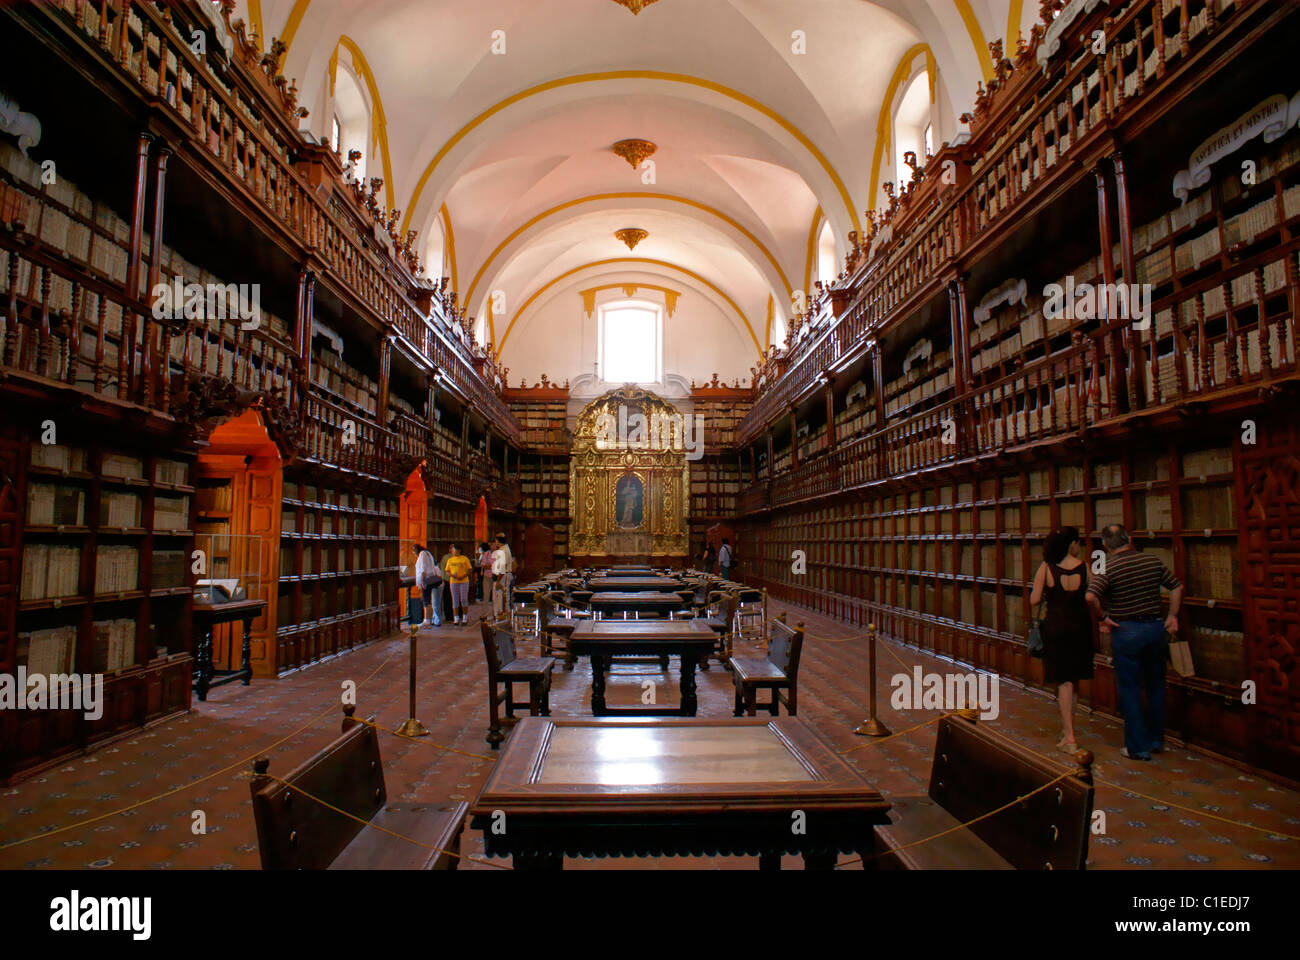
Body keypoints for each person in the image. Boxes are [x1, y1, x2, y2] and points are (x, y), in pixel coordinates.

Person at [1086, 524, 1184, 761]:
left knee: (1129, 690)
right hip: (1154, 628)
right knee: (1156, 687)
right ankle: (1155, 740)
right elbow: (1176, 586)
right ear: (1129, 539)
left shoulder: (1108, 566)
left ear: (1106, 545)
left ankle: (1137, 748)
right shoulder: (1151, 560)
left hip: (1126, 630)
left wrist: (1103, 617)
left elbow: (1090, 596)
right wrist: (1172, 615)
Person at [1030, 527, 1092, 754]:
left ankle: (1069, 736)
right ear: (1071, 544)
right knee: (1073, 682)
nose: (1080, 547)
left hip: (1056, 628)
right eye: (1078, 543)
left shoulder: (1046, 567)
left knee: (1064, 683)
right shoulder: (1085, 567)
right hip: (1081, 628)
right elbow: (1092, 594)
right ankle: (1069, 730)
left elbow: (1034, 600)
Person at [412, 544, 442, 628]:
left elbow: (423, 568)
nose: (413, 553)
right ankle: (428, 620)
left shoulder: (422, 554)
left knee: (426, 600)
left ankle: (427, 620)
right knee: (428, 600)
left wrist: (422, 580)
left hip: (426, 580)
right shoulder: (428, 553)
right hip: (430, 579)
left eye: (414, 551)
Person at [443, 544, 473, 625]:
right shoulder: (450, 560)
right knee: (455, 599)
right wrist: (452, 575)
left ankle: (465, 617)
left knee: (463, 599)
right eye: (452, 550)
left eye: (454, 550)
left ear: (459, 550)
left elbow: (469, 569)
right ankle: (455, 618)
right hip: (454, 582)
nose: (453, 552)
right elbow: (447, 571)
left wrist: (463, 575)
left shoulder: (464, 559)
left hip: (463, 581)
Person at [491, 533, 514, 617]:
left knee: (501, 598)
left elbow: (502, 568)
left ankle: (501, 616)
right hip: (503, 576)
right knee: (501, 597)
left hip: (502, 577)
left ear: (497, 541)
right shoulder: (504, 549)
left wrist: (498, 581)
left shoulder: (503, 551)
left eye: (495, 541)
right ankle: (501, 615)